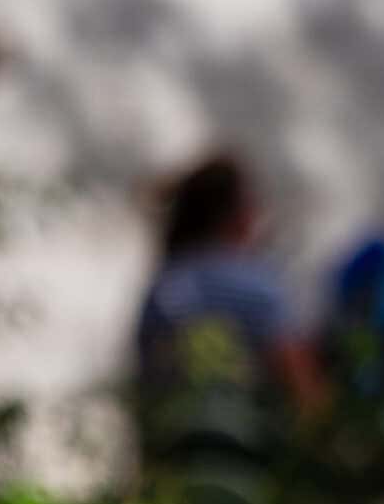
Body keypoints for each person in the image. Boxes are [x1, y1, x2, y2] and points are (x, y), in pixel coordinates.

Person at [135, 153, 321, 459]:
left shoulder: (163, 286)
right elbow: (300, 383)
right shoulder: (259, 287)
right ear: (237, 215)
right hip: (249, 459)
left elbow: (146, 383)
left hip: (172, 455)